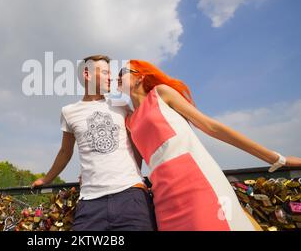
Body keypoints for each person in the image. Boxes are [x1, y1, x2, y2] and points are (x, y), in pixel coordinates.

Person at [118, 59, 301, 231]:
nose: (117, 76)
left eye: (122, 72)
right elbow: (133, 167)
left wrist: (276, 158)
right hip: (162, 195)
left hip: (196, 180)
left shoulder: (161, 94)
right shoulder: (129, 121)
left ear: (140, 77)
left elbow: (212, 127)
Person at [32, 55, 156, 231]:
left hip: (131, 196)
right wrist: (46, 179)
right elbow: (65, 152)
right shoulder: (69, 112)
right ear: (87, 74)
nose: (111, 77)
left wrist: (132, 173)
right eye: (105, 72)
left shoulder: (121, 104)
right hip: (90, 203)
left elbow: (135, 142)